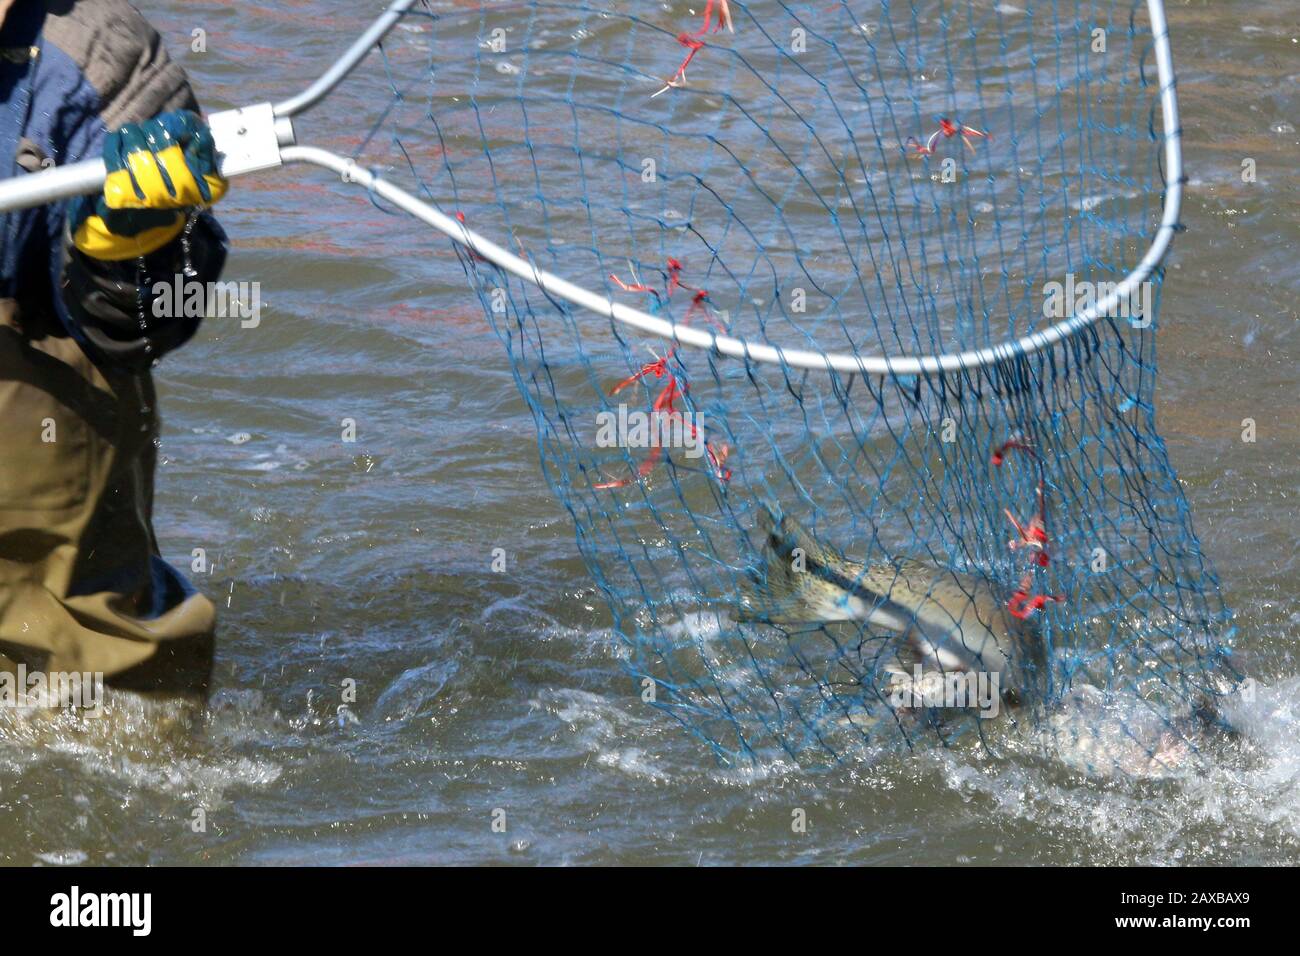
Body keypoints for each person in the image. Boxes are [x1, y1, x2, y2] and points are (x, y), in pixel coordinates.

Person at [0, 0, 228, 699]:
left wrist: (134, 246)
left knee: (112, 729)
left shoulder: (99, 55)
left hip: (38, 468)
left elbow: (169, 311)